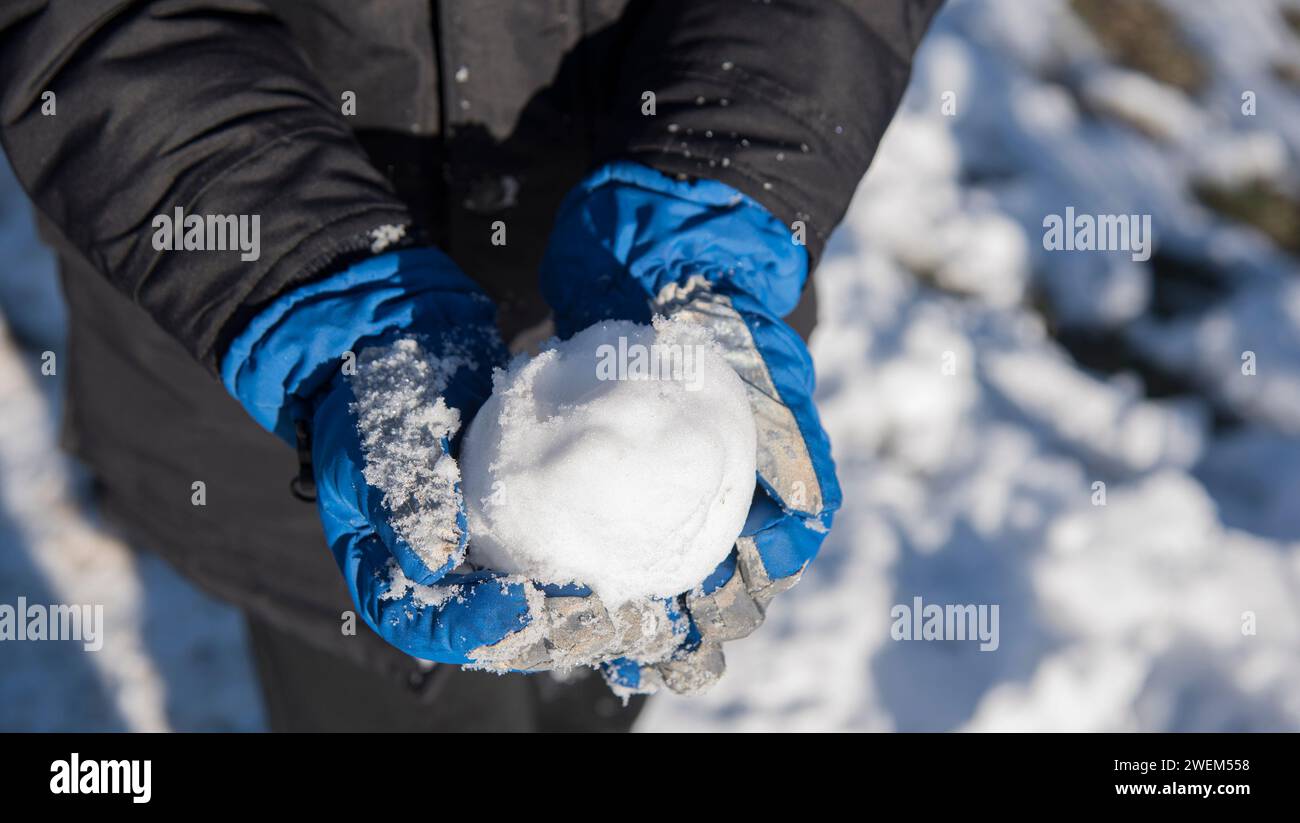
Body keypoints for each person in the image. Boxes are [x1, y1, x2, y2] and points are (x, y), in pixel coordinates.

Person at [0, 0, 942, 732]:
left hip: (641, 235)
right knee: (370, 683)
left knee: (595, 687)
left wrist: (721, 185)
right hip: (260, 350)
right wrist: (311, 288)